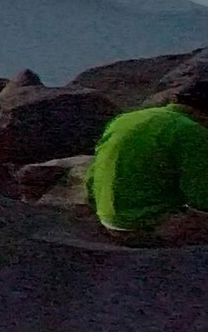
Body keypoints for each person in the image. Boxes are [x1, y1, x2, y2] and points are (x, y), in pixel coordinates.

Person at [87, 82, 208, 245]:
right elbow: (202, 198)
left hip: (109, 222)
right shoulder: (192, 132)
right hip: (153, 226)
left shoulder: (126, 119)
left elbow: (92, 176)